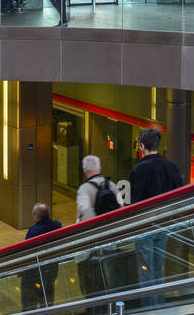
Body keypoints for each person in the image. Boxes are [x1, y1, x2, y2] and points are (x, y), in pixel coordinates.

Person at [128, 127, 184, 306]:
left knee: (145, 269)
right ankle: (159, 305)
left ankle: (149, 308)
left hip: (144, 226)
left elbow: (133, 202)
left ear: (142, 146)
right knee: (158, 267)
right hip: (164, 224)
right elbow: (179, 193)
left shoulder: (139, 169)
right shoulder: (170, 166)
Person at [75, 155, 122, 299]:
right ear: (99, 168)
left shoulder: (84, 189)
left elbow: (86, 215)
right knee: (110, 278)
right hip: (110, 241)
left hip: (90, 248)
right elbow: (121, 209)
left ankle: (93, 305)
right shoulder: (113, 186)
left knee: (90, 279)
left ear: (84, 170)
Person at [20, 202, 63, 311]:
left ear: (37, 216)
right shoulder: (57, 225)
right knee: (48, 291)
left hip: (36, 271)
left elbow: (27, 250)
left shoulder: (33, 231)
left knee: (30, 295)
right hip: (52, 268)